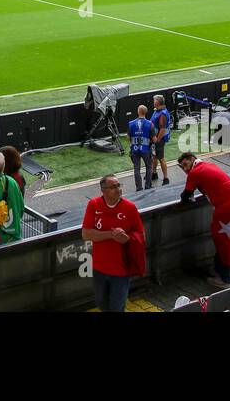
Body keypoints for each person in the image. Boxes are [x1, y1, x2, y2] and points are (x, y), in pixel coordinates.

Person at [179, 152, 230, 288]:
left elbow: (185, 195)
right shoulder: (209, 164)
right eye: (183, 167)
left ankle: (224, 278)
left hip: (227, 209)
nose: (185, 169)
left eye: (185, 165)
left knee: (223, 242)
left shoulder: (195, 173)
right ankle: (222, 272)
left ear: (192, 159)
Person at [81, 173, 145, 312]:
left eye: (118, 186)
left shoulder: (130, 208)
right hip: (99, 268)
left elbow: (141, 235)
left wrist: (127, 238)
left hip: (121, 270)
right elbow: (86, 234)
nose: (118, 189)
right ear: (103, 190)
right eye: (113, 187)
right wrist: (111, 234)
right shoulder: (94, 204)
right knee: (102, 304)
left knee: (116, 307)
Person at [128, 104, 154, 190]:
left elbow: (129, 137)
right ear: (146, 112)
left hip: (134, 150)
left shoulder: (131, 123)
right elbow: (153, 139)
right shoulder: (150, 124)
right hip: (146, 149)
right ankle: (148, 186)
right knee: (149, 167)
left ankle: (139, 188)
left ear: (138, 111)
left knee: (136, 168)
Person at [150, 95, 172, 185]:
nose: (153, 102)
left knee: (161, 158)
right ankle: (154, 173)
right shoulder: (158, 111)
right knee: (154, 157)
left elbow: (163, 129)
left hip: (159, 139)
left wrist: (157, 140)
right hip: (155, 138)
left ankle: (166, 178)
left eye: (154, 101)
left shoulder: (162, 114)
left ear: (157, 103)